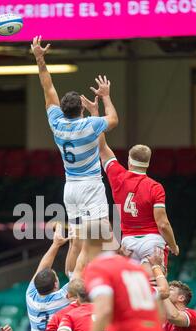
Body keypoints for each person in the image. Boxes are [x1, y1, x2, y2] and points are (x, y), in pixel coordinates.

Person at [81, 95, 178, 266]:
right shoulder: (155, 187)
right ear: (147, 163)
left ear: (129, 161)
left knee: (133, 288)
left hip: (128, 243)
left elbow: (102, 148)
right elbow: (162, 223)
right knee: (155, 286)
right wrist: (173, 245)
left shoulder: (118, 176)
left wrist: (96, 111)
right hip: (152, 241)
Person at [31, 35, 118, 227]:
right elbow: (113, 120)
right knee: (100, 238)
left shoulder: (56, 122)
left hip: (70, 187)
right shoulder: (89, 125)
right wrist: (105, 96)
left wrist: (39, 59)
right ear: (82, 109)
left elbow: (48, 88)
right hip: (90, 186)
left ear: (62, 110)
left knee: (77, 243)